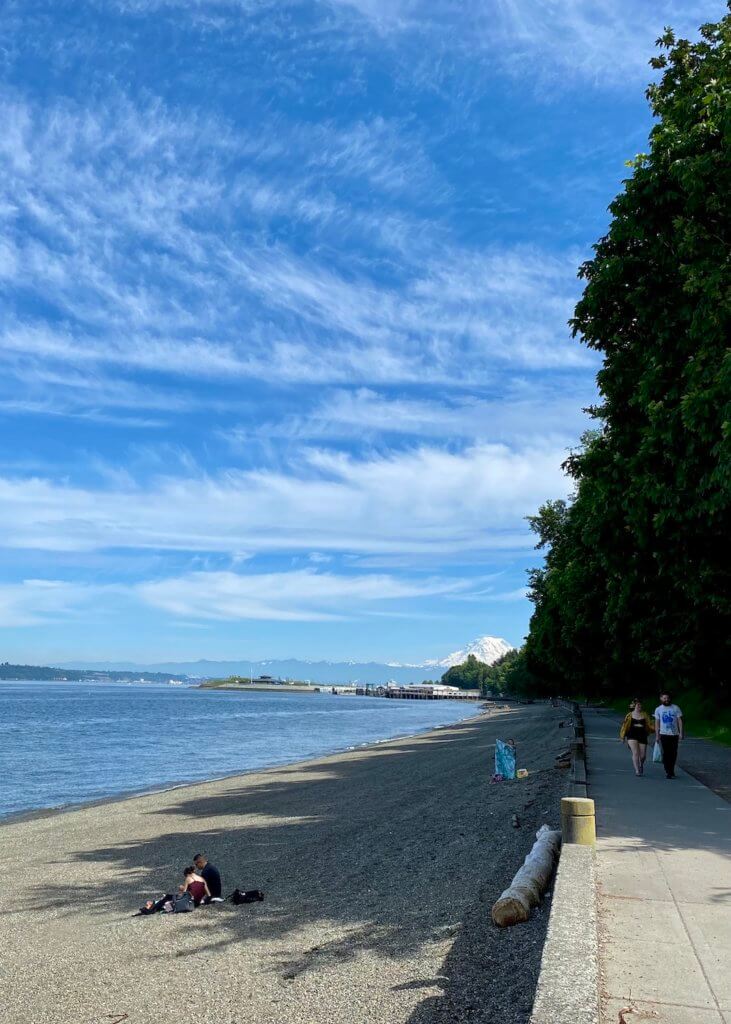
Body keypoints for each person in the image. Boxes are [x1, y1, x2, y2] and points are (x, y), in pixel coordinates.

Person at [619, 699, 654, 776]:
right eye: (638, 705)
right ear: (634, 706)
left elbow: (650, 724)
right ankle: (637, 770)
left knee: (643, 756)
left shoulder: (645, 715)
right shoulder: (629, 715)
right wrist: (622, 737)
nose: (639, 706)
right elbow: (624, 726)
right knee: (635, 753)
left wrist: (655, 729)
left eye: (640, 705)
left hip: (642, 735)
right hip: (631, 735)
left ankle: (641, 764)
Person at [654, 692, 684, 779]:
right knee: (666, 753)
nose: (666, 700)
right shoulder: (658, 709)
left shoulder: (675, 708)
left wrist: (681, 733)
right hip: (663, 734)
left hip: (674, 734)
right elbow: (657, 723)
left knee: (673, 753)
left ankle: (671, 769)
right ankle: (668, 770)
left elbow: (680, 721)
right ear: (661, 699)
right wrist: (657, 735)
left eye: (667, 698)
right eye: (664, 698)